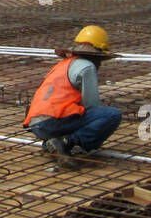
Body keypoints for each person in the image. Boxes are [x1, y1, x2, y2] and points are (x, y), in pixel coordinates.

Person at [23, 25, 123, 165]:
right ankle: (68, 143)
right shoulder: (87, 67)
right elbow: (91, 104)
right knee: (111, 115)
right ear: (98, 54)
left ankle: (51, 143)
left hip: (36, 125)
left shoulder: (64, 63)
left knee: (79, 113)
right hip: (52, 123)